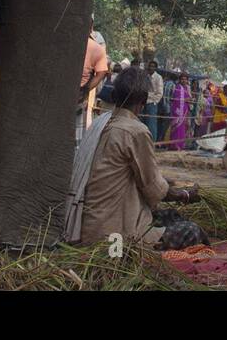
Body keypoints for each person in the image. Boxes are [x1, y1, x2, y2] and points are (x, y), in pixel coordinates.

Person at [64, 65, 201, 247]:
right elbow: (153, 188)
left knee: (171, 216)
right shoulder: (136, 131)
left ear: (114, 96)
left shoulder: (99, 123)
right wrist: (184, 194)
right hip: (113, 236)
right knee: (192, 231)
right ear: (144, 100)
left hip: (87, 225)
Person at [79, 27, 109, 139]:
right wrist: (85, 90)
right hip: (81, 94)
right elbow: (102, 73)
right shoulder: (97, 47)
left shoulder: (97, 45)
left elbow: (102, 72)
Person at [168, 74, 192, 150]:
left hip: (185, 110)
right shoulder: (178, 87)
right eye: (182, 79)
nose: (183, 80)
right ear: (179, 80)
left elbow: (189, 98)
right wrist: (186, 100)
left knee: (182, 128)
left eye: (185, 79)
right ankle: (174, 145)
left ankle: (180, 145)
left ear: (187, 80)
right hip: (178, 111)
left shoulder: (187, 88)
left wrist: (189, 100)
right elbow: (174, 99)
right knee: (176, 127)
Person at [144, 59, 163, 142]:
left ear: (155, 68)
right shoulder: (145, 76)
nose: (151, 68)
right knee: (143, 123)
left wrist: (154, 102)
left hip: (152, 103)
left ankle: (152, 142)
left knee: (151, 124)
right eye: (150, 66)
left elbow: (159, 93)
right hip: (143, 102)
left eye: (153, 66)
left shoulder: (158, 78)